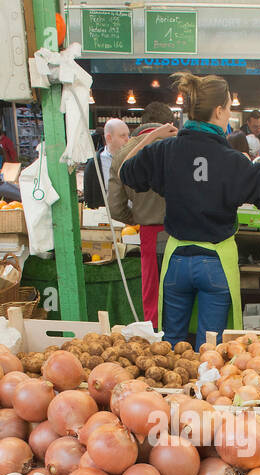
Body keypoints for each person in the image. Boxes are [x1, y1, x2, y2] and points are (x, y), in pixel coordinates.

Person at [120, 72, 260, 347]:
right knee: (209, 349)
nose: (229, 113)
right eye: (228, 107)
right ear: (218, 111)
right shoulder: (234, 161)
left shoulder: (166, 150)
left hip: (176, 260)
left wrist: (151, 136)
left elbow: (125, 171)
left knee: (172, 346)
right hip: (216, 263)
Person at [108, 102, 175, 330]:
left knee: (153, 302)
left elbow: (115, 208)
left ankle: (157, 346)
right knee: (182, 299)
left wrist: (136, 217)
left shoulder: (123, 155)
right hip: (188, 233)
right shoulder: (180, 147)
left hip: (150, 235)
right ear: (170, 124)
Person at [82, 118, 130, 210]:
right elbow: (89, 200)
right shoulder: (94, 165)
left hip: (134, 221)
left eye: (128, 135)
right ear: (109, 138)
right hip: (106, 221)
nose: (127, 140)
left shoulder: (134, 160)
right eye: (122, 136)